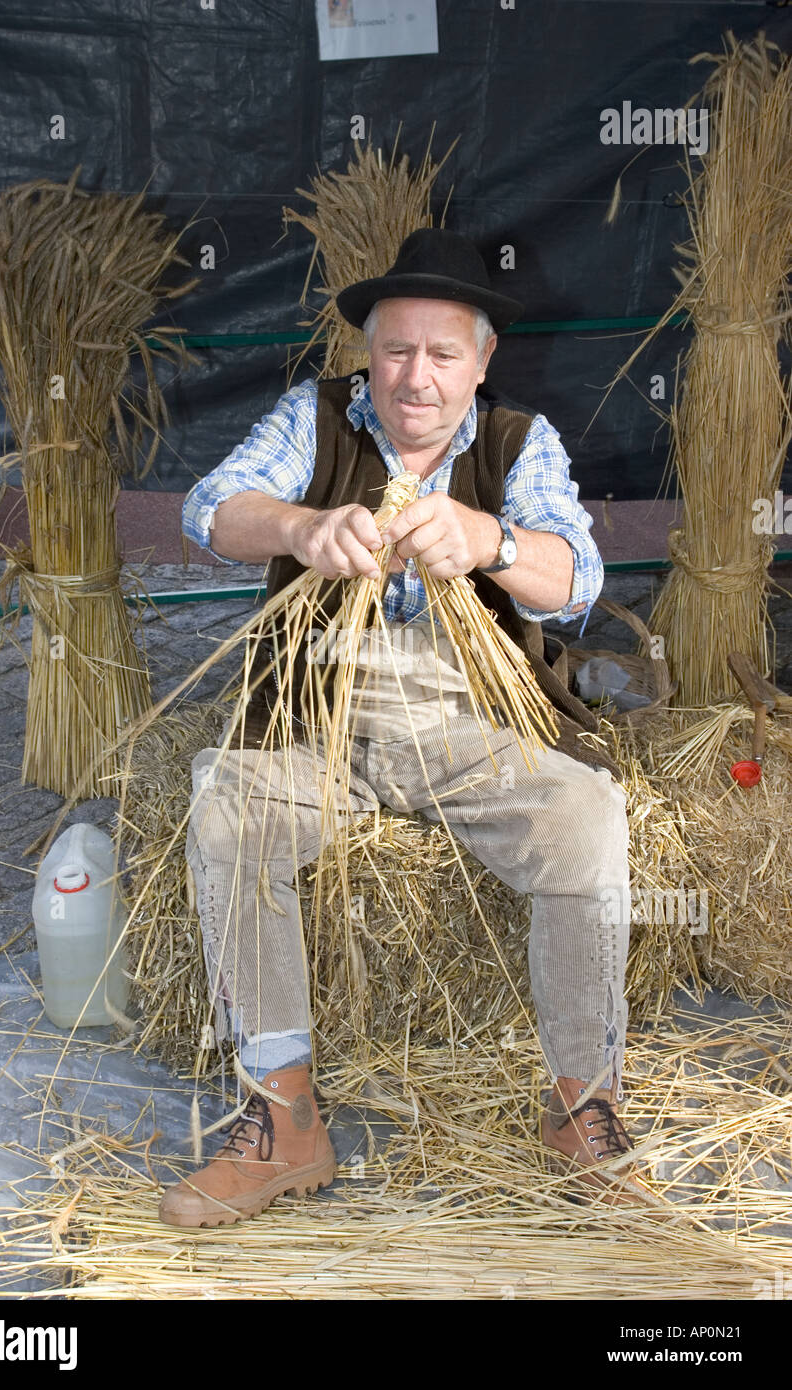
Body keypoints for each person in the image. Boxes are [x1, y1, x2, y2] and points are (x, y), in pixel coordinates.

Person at [160, 228, 648, 1228]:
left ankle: (580, 1103)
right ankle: (283, 1115)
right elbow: (208, 509)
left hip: (468, 721)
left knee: (584, 821)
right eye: (394, 351)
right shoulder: (316, 416)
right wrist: (298, 528)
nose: (413, 377)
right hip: (321, 719)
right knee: (226, 808)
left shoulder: (519, 440)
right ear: (366, 355)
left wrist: (489, 540)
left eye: (440, 354)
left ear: (478, 363)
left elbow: (573, 584)